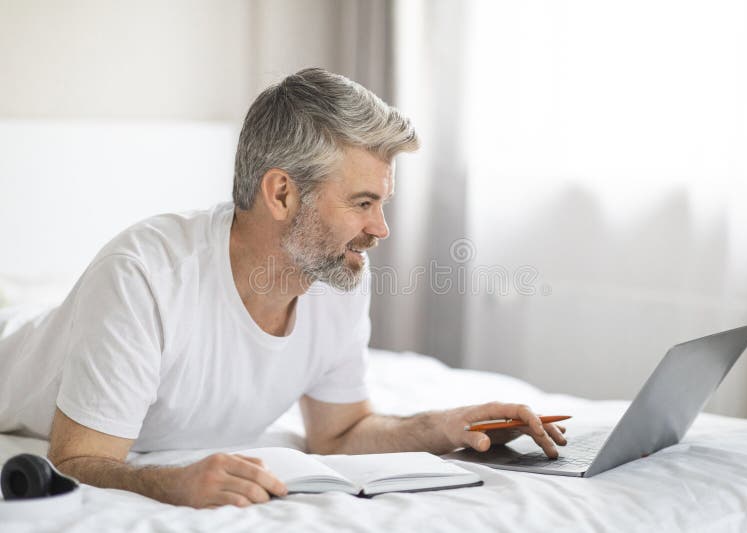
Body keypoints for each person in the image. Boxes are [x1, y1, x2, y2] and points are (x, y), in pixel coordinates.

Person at [0, 68, 566, 508]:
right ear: (281, 195)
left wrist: (444, 426)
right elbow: (77, 459)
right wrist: (172, 484)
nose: (380, 229)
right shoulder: (143, 277)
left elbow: (338, 433)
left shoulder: (337, 278)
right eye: (362, 203)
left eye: (382, 203)